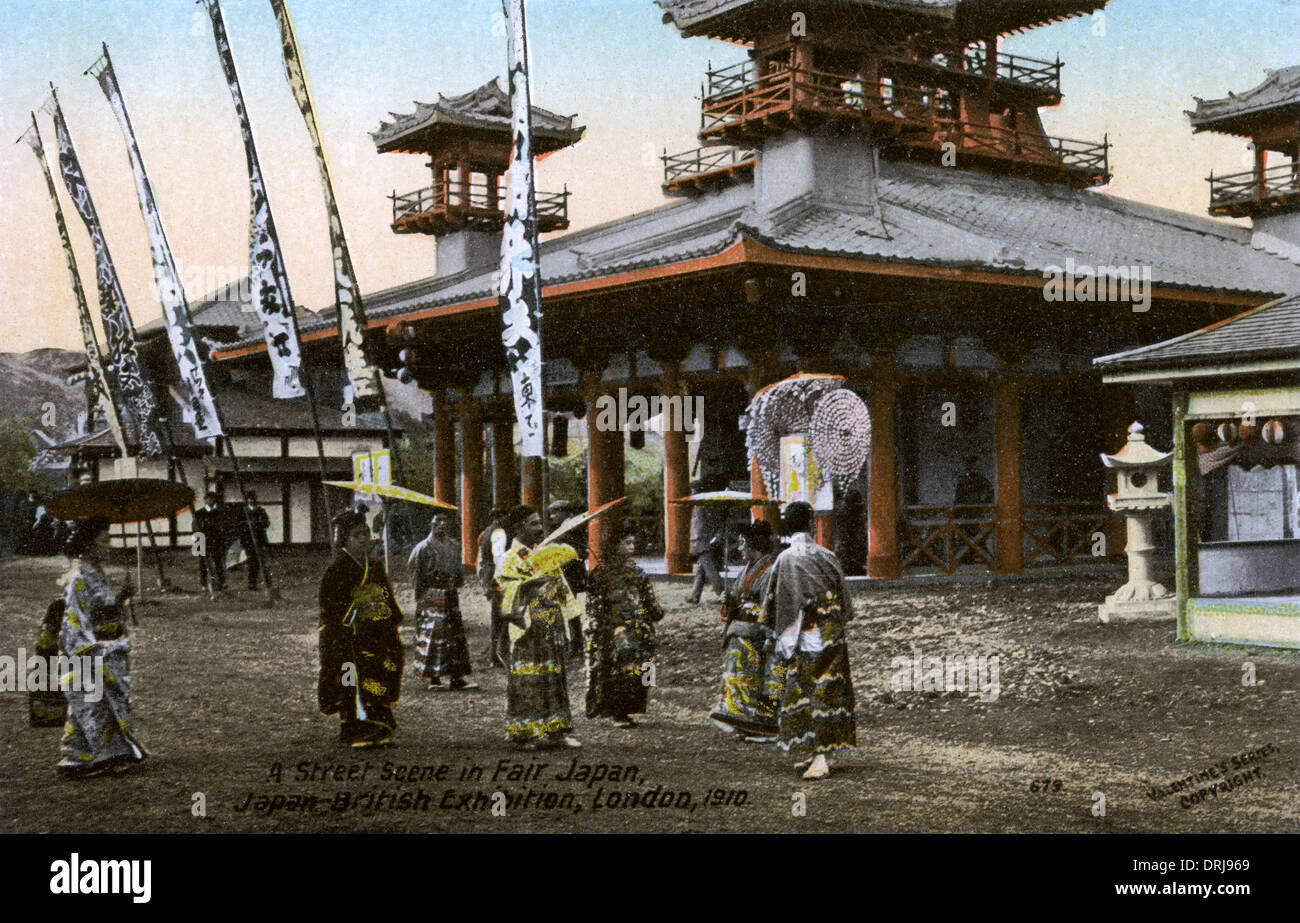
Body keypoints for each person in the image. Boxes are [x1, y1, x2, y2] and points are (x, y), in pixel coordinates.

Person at [764, 501, 857, 780]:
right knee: (826, 691)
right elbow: (844, 599)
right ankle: (819, 753)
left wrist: (773, 629)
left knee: (801, 691)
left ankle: (819, 756)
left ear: (787, 525)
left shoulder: (784, 559)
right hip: (829, 631)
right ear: (812, 522)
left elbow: (773, 603)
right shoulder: (828, 556)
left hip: (799, 634)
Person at [55, 516, 146, 776]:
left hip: (110, 647)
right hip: (91, 649)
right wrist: (93, 651)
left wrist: (123, 599)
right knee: (95, 704)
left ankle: (94, 757)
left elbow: (106, 611)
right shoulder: (80, 577)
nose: (109, 545)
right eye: (104, 540)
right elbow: (77, 619)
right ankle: (94, 757)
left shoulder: (96, 574)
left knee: (108, 703)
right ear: (88, 544)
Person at [494, 505, 582, 751]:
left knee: (554, 677)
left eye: (539, 523)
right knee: (527, 678)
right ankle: (525, 732)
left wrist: (573, 624)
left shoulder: (546, 554)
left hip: (551, 624)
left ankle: (556, 730)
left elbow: (563, 591)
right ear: (520, 527)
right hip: (527, 629)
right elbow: (501, 593)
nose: (540, 529)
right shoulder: (510, 558)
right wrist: (527, 587)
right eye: (534, 524)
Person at [317, 510, 405, 748]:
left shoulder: (375, 567)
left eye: (366, 533)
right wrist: (359, 608)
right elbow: (330, 606)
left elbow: (387, 598)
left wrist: (387, 614)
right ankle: (353, 729)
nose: (364, 539)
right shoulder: (337, 570)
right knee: (350, 680)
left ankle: (378, 728)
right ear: (345, 539)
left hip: (375, 636)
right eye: (357, 535)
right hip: (348, 636)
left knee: (377, 678)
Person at [584, 523, 664, 728]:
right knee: (623, 670)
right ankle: (619, 711)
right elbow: (594, 605)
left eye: (633, 543)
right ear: (615, 545)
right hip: (616, 630)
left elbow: (650, 604)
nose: (631, 547)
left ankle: (623, 710)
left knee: (630, 671)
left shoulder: (634, 573)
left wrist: (651, 614)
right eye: (626, 542)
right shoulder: (607, 574)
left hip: (628, 628)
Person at [711, 520, 782, 740]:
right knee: (738, 679)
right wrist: (729, 599)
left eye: (743, 544)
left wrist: (745, 607)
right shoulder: (745, 571)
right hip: (740, 633)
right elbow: (736, 594)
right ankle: (740, 721)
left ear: (753, 545)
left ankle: (755, 724)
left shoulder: (770, 571)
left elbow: (770, 605)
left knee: (757, 681)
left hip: (756, 633)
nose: (740, 548)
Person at [410, 512, 476, 690]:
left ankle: (457, 677)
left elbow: (458, 571)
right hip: (432, 595)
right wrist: (421, 598)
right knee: (434, 636)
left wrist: (457, 582)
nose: (442, 524)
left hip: (450, 593)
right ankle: (435, 679)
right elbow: (416, 574)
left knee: (454, 636)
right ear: (431, 523)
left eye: (445, 520)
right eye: (438, 520)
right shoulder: (423, 548)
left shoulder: (454, 546)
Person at [476, 506, 510, 668]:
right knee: (501, 617)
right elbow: (499, 558)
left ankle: (495, 655)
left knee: (497, 617)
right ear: (499, 517)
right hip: (497, 576)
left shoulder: (487, 531)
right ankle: (498, 654)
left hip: (489, 575)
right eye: (504, 516)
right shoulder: (498, 533)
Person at [687, 492, 725, 604]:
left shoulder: (700, 508)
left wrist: (695, 542)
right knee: (701, 570)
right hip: (708, 542)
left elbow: (700, 527)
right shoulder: (710, 507)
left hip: (702, 543)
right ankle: (695, 596)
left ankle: (722, 593)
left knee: (710, 571)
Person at [193, 493, 227, 596]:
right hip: (203, 540)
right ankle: (204, 584)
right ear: (205, 500)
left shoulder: (218, 513)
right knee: (203, 563)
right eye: (209, 499)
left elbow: (222, 526)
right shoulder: (199, 513)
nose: (212, 501)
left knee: (218, 562)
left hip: (215, 540)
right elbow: (195, 527)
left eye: (213, 499)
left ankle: (221, 582)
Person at [241, 492, 272, 591]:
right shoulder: (244, 512)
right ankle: (252, 583)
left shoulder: (261, 511)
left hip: (260, 540)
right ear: (247, 500)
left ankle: (267, 583)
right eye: (249, 498)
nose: (251, 500)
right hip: (249, 541)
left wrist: (257, 524)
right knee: (252, 563)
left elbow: (267, 523)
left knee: (263, 562)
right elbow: (240, 526)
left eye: (253, 498)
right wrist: (247, 525)